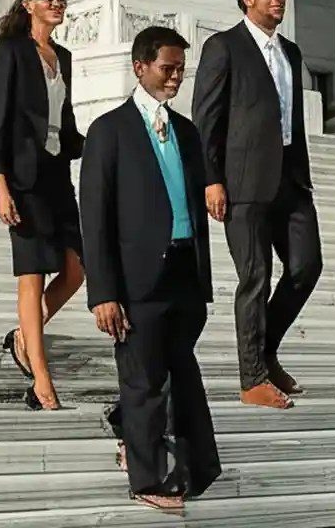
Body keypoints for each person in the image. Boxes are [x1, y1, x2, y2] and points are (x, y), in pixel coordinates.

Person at [81, 26, 221, 512]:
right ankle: (147, 478)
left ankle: (188, 465)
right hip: (134, 278)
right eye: (168, 68)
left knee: (180, 375)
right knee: (142, 380)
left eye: (181, 68)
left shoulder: (187, 131)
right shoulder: (108, 130)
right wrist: (103, 292)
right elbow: (94, 218)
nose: (176, 77)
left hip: (184, 273)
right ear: (140, 67)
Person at [191, 0, 322, 410]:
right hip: (243, 183)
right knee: (256, 277)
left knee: (306, 266)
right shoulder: (223, 47)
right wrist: (211, 179)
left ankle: (265, 350)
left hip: (291, 179)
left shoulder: (291, 51)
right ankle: (252, 379)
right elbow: (206, 119)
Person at [0, 0, 85, 411]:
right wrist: (0, 186)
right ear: (28, 4)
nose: (57, 3)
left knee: (78, 270)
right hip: (22, 178)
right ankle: (41, 377)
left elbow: (67, 124)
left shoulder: (62, 55)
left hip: (57, 175)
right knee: (32, 275)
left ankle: (25, 338)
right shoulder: (11, 52)